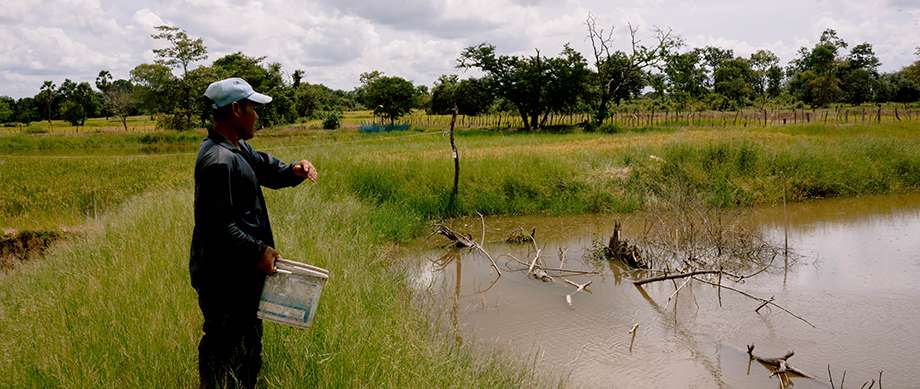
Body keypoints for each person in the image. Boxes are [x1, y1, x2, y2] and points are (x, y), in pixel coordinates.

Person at [190, 77, 318, 388]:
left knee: (247, 349)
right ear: (236, 109)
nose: (257, 116)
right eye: (253, 108)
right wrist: (258, 250)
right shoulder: (218, 161)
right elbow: (218, 227)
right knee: (225, 349)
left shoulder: (236, 149)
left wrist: (293, 171)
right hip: (224, 279)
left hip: (239, 276)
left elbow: (266, 169)